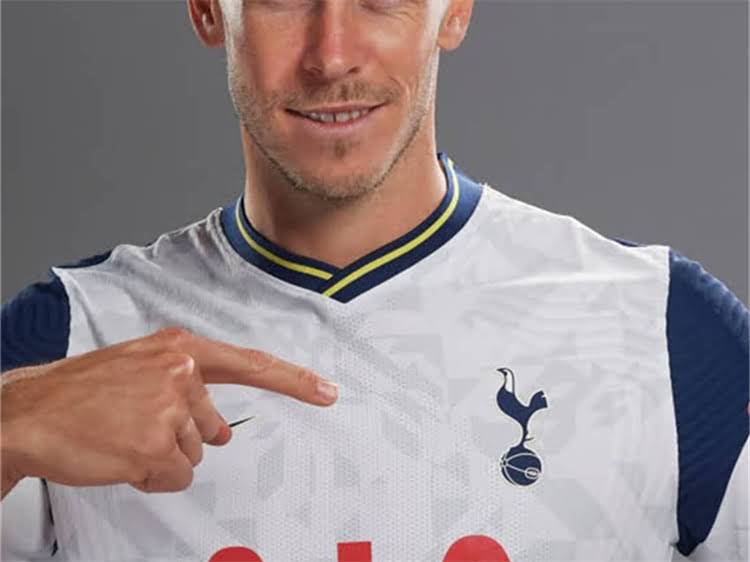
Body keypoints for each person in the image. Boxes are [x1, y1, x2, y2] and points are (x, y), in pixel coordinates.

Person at [1, 0, 747, 560]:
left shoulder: (661, 325)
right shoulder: (67, 337)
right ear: (206, 10)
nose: (332, 56)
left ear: (454, 10)